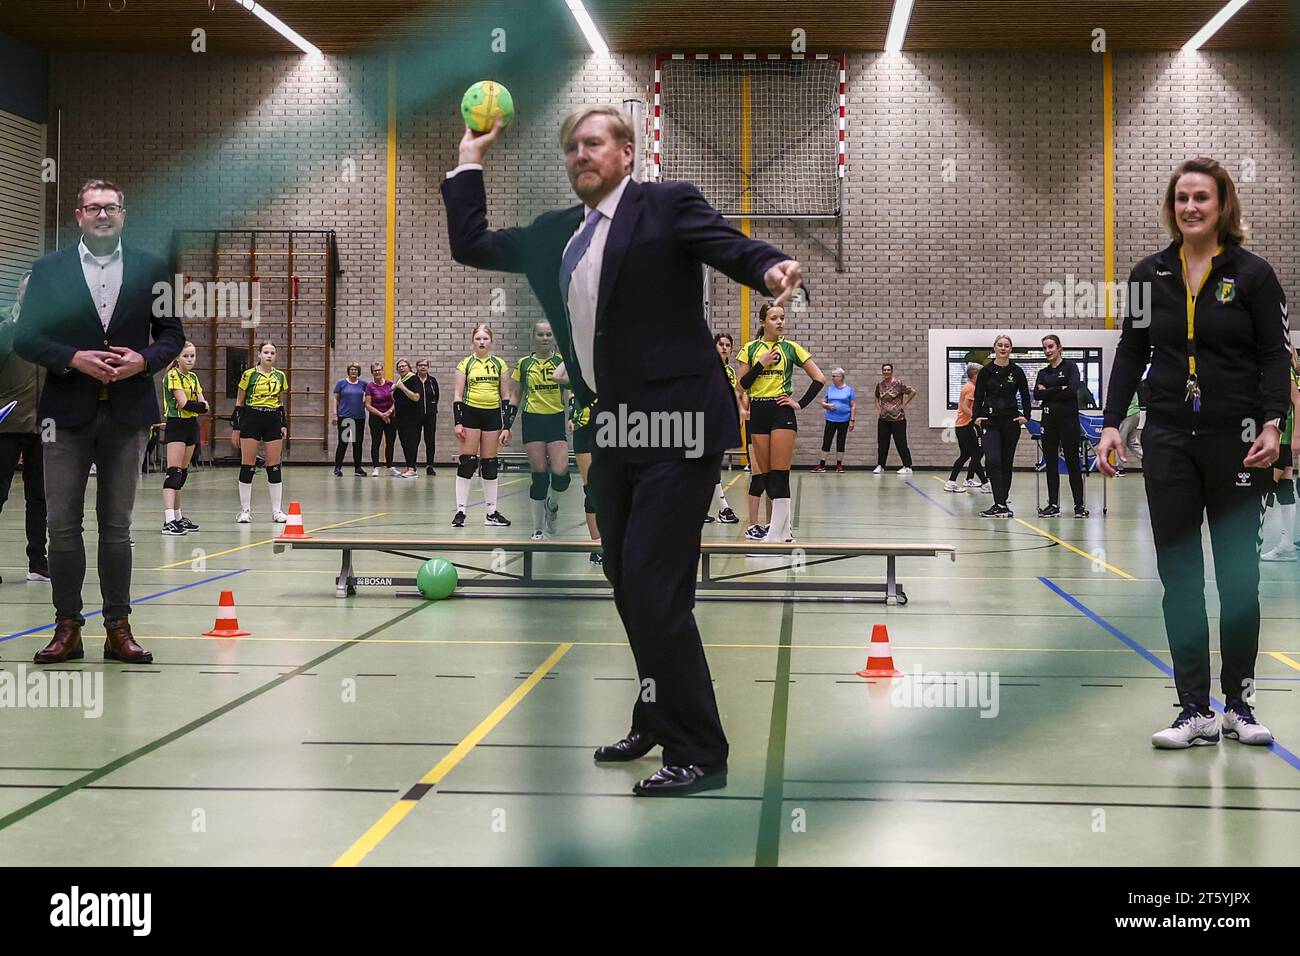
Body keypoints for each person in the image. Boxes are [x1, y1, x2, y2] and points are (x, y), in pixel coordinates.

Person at [442, 104, 803, 796]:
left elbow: (729, 246)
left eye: (595, 143)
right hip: (613, 428)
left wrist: (771, 268)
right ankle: (655, 711)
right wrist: (469, 156)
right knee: (623, 579)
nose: (582, 154)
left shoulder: (666, 207)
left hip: (678, 424)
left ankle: (700, 750)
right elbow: (471, 244)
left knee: (652, 582)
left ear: (628, 152)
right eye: (573, 146)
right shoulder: (555, 235)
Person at [1097, 156, 1291, 749]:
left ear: (1222, 204)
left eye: (1201, 198)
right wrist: (1113, 425)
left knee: (1238, 577)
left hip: (1237, 443)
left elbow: (1274, 357)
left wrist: (1274, 422)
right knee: (1179, 574)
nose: (1190, 207)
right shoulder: (1147, 274)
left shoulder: (1254, 275)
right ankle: (1193, 709)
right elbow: (1130, 352)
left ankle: (1238, 703)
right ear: (1171, 206)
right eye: (1181, 198)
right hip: (1169, 439)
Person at [15, 178, 184, 664]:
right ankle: (67, 627)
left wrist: (144, 361)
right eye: (94, 208)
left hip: (128, 413)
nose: (103, 215)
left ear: (123, 214)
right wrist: (71, 357)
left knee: (117, 526)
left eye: (111, 207)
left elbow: (172, 335)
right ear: (79, 216)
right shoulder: (49, 270)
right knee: (62, 524)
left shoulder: (153, 269)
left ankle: (118, 628)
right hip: (66, 414)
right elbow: (26, 337)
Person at [736, 302, 826, 543]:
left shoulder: (791, 347)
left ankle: (779, 534)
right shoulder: (751, 348)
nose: (779, 322)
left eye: (782, 317)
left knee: (779, 476)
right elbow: (741, 385)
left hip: (780, 412)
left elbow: (819, 378)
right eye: (774, 318)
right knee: (764, 478)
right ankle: (781, 533)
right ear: (763, 322)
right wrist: (761, 363)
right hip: (758, 411)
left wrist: (800, 403)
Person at [0, 271, 49, 584]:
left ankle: (38, 561)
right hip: (6, 425)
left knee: (40, 496)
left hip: (44, 426)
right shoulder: (5, 328)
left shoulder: (53, 333)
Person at [510, 320, 570, 540]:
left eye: (549, 335)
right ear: (533, 336)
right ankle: (537, 527)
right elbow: (516, 395)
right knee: (539, 475)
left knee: (561, 473)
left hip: (555, 419)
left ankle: (552, 505)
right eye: (541, 335)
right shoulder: (525, 363)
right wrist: (506, 426)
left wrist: (572, 416)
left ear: (553, 338)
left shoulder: (561, 362)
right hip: (532, 420)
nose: (545, 338)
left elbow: (569, 391)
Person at [452, 324, 511, 527]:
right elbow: (458, 395)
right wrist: (458, 422)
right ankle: (460, 511)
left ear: (491, 341)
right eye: (478, 338)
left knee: (490, 464)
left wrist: (506, 426)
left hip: (492, 415)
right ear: (473, 341)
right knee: (467, 461)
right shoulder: (465, 364)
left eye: (485, 338)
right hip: (470, 413)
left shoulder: (500, 364)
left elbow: (506, 396)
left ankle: (491, 512)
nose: (482, 342)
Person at [973, 334, 1031, 518]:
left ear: (1010, 349)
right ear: (995, 348)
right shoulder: (986, 371)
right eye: (1000, 345)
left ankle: (1001, 503)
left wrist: (1026, 417)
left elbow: (1025, 395)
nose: (1003, 348)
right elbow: (979, 395)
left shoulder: (1017, 371)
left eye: (1006, 345)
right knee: (992, 460)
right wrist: (976, 417)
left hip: (1011, 422)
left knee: (1006, 463)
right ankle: (1000, 502)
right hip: (990, 422)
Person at [231, 341, 289, 524]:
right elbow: (239, 403)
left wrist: (283, 423)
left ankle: (277, 511)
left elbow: (280, 403)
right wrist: (236, 428)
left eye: (272, 352)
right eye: (266, 352)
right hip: (252, 418)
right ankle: (245, 511)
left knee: (274, 465)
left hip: (272, 419)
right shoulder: (249, 375)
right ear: (259, 354)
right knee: (248, 464)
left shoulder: (280, 376)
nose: (269, 356)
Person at [1034, 334, 1088, 518]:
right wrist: (1060, 389)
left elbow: (1072, 389)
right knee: (1051, 464)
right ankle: (1053, 504)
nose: (1048, 351)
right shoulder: (1043, 372)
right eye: (1045, 348)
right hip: (1049, 422)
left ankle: (1079, 506)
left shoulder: (1071, 367)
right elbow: (1037, 395)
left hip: (1069, 422)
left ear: (1059, 348)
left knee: (1073, 463)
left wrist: (1048, 392)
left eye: (1051, 347)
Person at [555, 361, 602, 563]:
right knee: (591, 490)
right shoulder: (579, 379)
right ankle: (597, 546)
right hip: (585, 430)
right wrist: (570, 350)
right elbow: (557, 376)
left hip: (611, 429)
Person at [160, 341, 207, 535]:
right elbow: (184, 403)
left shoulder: (193, 377)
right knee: (174, 473)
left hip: (191, 426)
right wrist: (199, 405)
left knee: (183, 473)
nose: (189, 359)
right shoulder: (173, 375)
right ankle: (168, 520)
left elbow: (204, 404)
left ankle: (178, 518)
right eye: (186, 356)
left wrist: (199, 405)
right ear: (177, 358)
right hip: (177, 425)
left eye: (192, 356)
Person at [1260, 349, 1300, 561]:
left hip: (1281, 438)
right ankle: (1287, 543)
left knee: (1263, 488)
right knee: (1284, 488)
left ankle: (1251, 542)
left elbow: (1298, 401)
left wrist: (1296, 436)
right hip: (1281, 438)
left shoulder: (1283, 371)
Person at [703, 332, 740, 522]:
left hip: (717, 423)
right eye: (720, 344)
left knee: (708, 467)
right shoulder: (707, 367)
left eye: (727, 345)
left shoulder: (731, 372)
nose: (724, 347)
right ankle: (723, 509)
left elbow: (731, 396)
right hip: (701, 422)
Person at [944, 362, 989, 493]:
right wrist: (976, 418)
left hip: (962, 426)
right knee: (976, 454)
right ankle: (985, 483)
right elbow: (964, 407)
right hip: (965, 426)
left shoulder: (970, 386)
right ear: (975, 375)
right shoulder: (971, 388)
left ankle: (955, 481)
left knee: (965, 455)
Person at [395, 357, 440, 477]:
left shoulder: (432, 381)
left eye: (425, 365)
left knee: (430, 440)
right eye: (420, 365)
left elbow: (436, 396)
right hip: (416, 415)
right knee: (413, 440)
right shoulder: (413, 379)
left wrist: (432, 408)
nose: (423, 367)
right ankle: (412, 466)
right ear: (416, 367)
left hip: (430, 415)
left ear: (428, 367)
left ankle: (430, 465)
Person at [872, 363, 917, 475]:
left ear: (891, 371)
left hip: (898, 419)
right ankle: (881, 465)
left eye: (888, 370)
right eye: (884, 370)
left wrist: (904, 404)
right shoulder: (880, 385)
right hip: (883, 419)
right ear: (882, 371)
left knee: (901, 442)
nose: (886, 372)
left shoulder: (898, 384)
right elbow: (876, 397)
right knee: (882, 443)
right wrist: (879, 409)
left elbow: (912, 392)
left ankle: (907, 466)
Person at [812, 367, 855, 474]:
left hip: (844, 420)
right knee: (827, 440)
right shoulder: (830, 389)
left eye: (834, 376)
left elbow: (853, 406)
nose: (832, 378)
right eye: (832, 376)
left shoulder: (849, 390)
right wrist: (827, 405)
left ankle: (839, 465)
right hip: (831, 419)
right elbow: (823, 402)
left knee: (841, 441)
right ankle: (822, 464)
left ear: (841, 377)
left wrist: (852, 420)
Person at [363, 361, 399, 477]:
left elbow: (396, 401)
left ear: (382, 371)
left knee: (390, 442)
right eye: (375, 371)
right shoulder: (370, 386)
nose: (377, 372)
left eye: (379, 370)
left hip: (390, 417)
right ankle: (376, 467)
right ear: (372, 373)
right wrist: (381, 414)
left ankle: (390, 466)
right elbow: (368, 405)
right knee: (376, 442)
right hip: (376, 418)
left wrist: (388, 413)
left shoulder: (390, 384)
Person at [332, 361, 367, 477]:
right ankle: (338, 467)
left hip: (359, 418)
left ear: (359, 372)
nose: (353, 371)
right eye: (352, 369)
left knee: (357, 443)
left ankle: (358, 468)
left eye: (356, 370)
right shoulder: (341, 383)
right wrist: (334, 414)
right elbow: (336, 399)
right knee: (343, 443)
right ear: (348, 371)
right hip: (346, 418)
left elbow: (369, 396)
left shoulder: (363, 384)